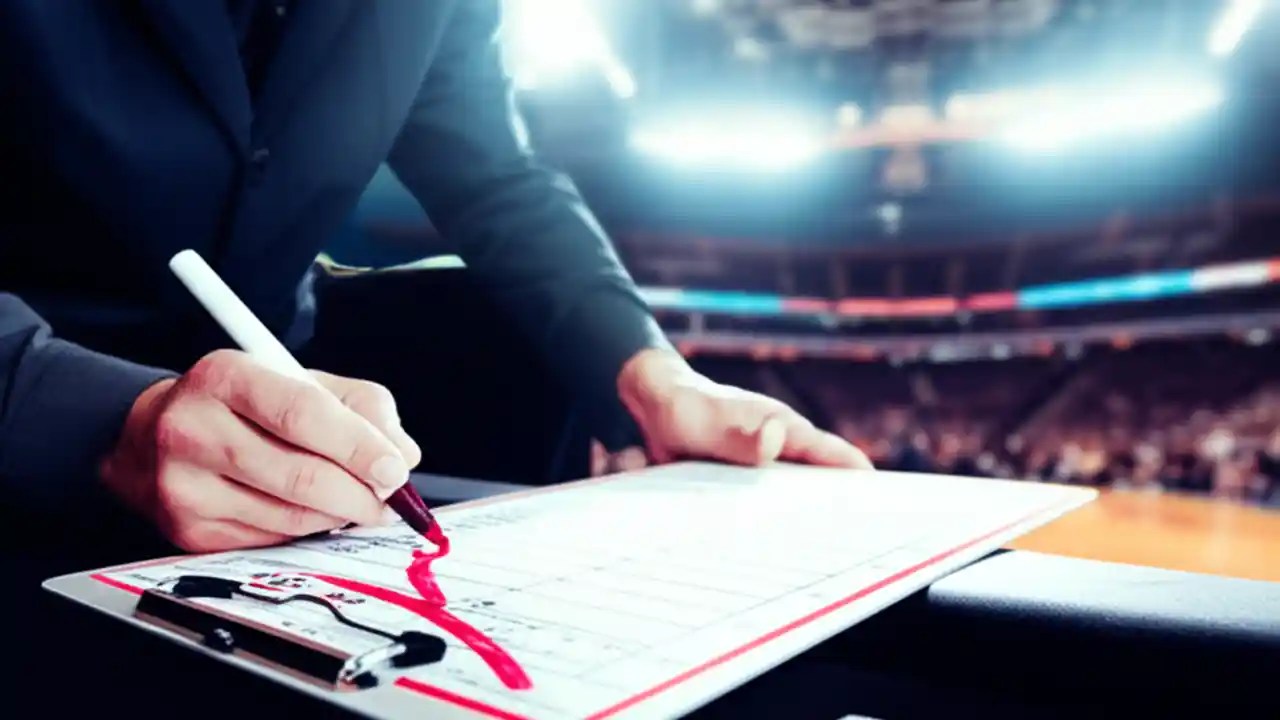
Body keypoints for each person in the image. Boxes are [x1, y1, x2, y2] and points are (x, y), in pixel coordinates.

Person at [0, 1, 869, 556]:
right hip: (36, 375)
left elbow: (497, 174)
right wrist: (93, 417)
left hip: (276, 377)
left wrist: (651, 376)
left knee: (482, 323)